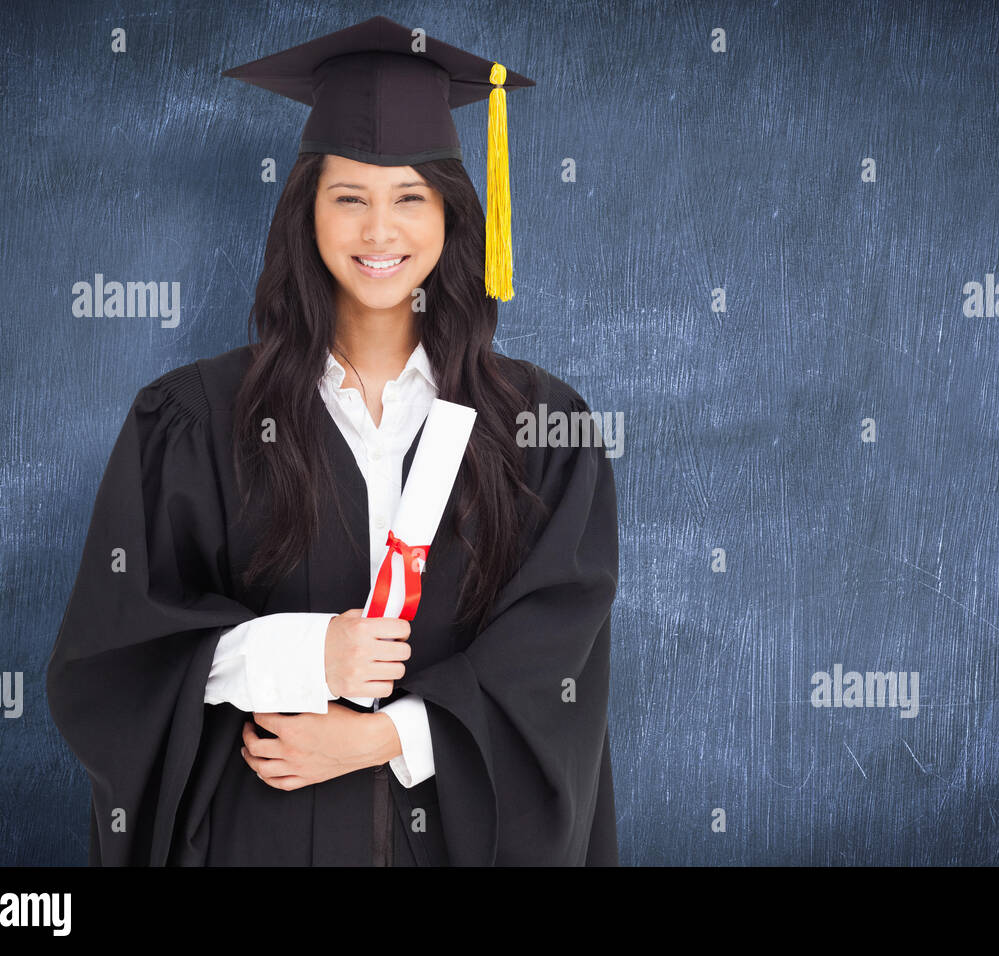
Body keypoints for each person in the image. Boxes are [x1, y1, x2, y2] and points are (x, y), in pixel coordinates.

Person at [45, 15, 619, 866]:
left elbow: (555, 665)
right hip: (258, 835)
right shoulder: (196, 417)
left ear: (454, 216)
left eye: (409, 199)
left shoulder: (540, 430)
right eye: (349, 197)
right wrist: (306, 653)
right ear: (305, 212)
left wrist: (386, 738)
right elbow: (115, 652)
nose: (379, 233)